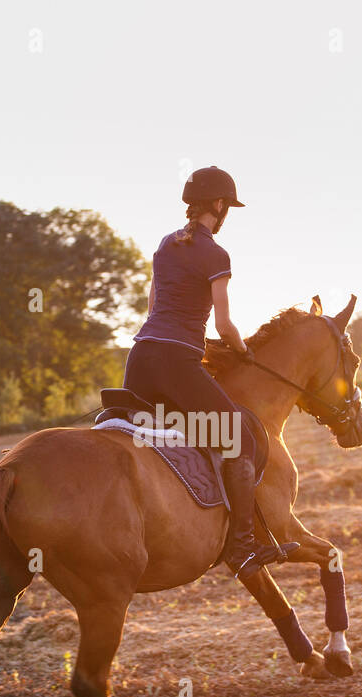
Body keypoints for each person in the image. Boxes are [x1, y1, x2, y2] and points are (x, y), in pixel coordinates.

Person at [123, 166, 290, 580]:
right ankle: (242, 547)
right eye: (227, 205)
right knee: (240, 435)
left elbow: (152, 308)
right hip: (177, 363)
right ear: (219, 205)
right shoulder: (216, 254)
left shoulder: (164, 246)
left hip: (141, 359)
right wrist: (243, 349)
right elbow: (223, 325)